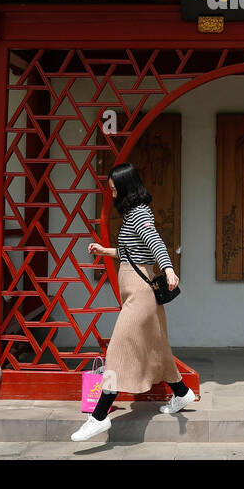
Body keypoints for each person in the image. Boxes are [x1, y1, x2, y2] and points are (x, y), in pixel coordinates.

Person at [71, 161, 194, 441]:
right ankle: (182, 393)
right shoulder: (132, 216)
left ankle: (98, 417)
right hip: (136, 293)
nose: (112, 194)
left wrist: (169, 269)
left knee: (118, 352)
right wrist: (105, 251)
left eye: (114, 189)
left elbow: (155, 244)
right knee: (158, 350)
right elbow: (132, 252)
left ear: (126, 187)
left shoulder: (139, 215)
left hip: (140, 296)